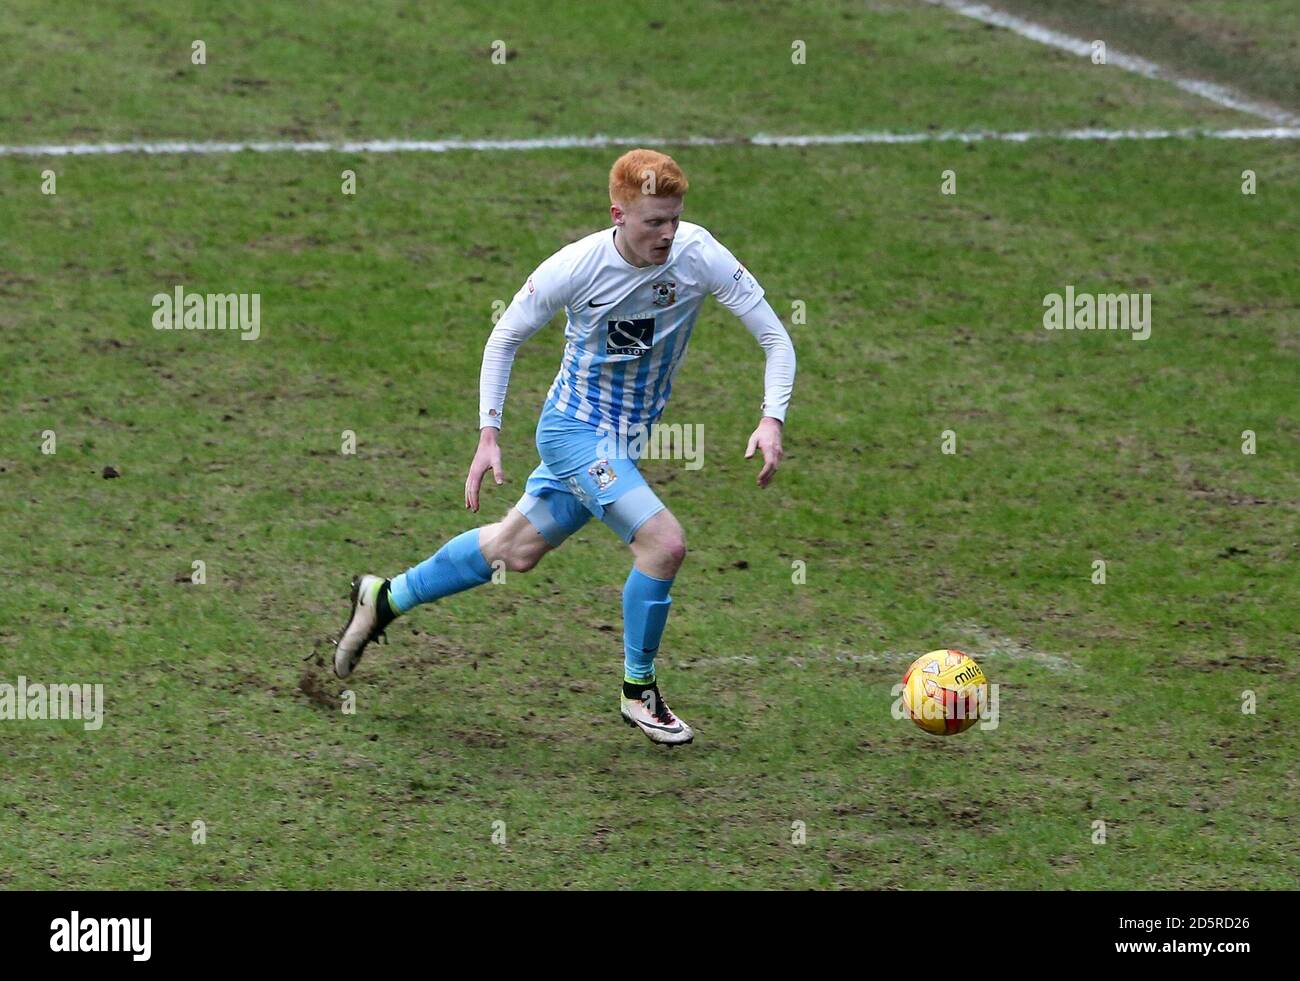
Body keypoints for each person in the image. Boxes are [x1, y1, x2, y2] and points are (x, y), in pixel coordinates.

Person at [333, 148, 796, 745]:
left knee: (512, 550)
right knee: (664, 545)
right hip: (573, 432)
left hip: (623, 442)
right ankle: (639, 691)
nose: (667, 233)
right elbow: (505, 338)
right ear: (618, 214)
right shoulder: (576, 267)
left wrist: (771, 419)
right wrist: (488, 434)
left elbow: (775, 338)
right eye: (653, 221)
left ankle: (383, 597)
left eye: (674, 219)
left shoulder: (699, 255)